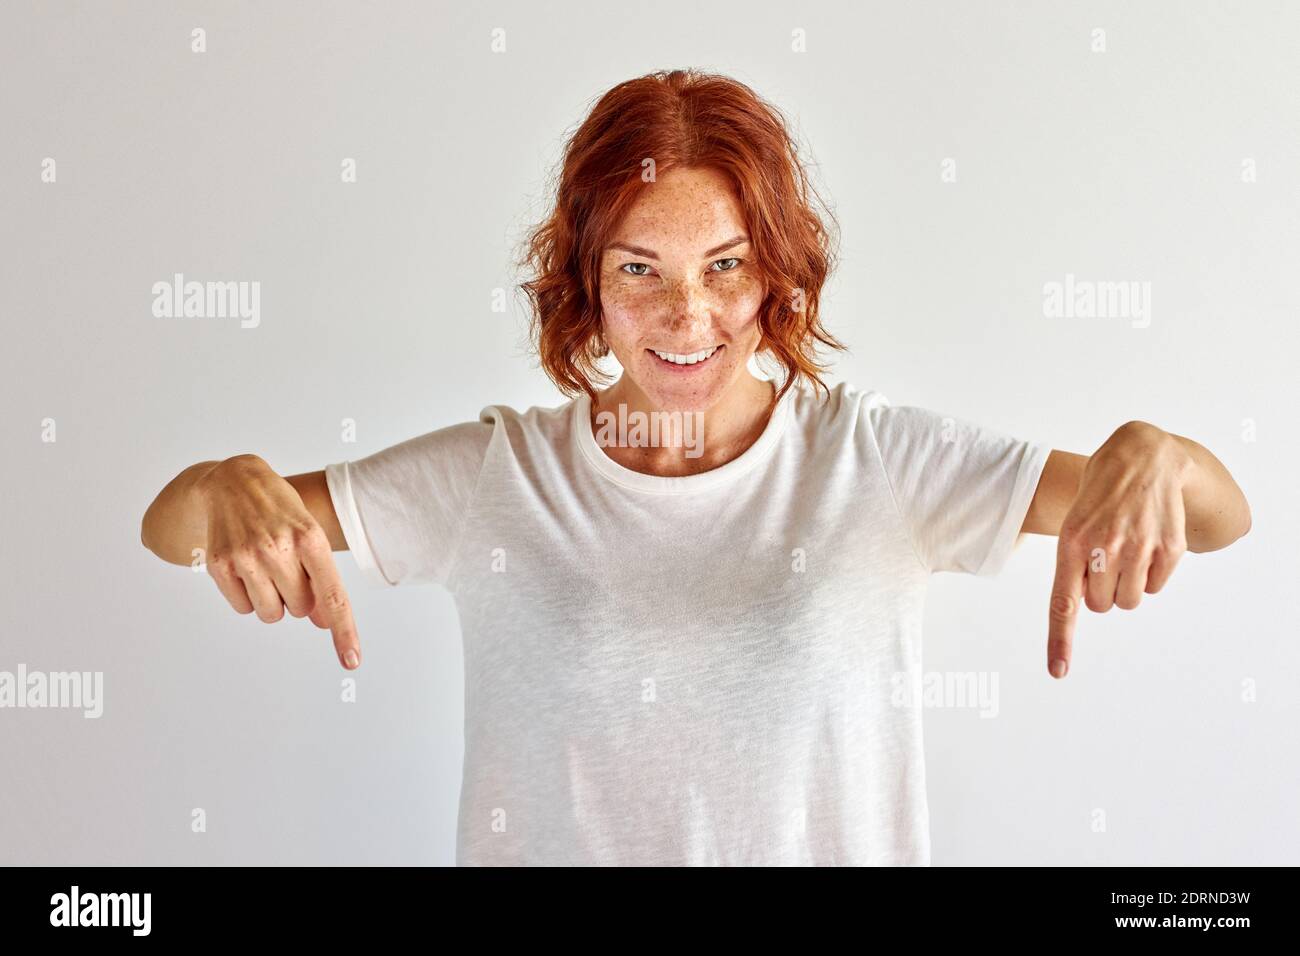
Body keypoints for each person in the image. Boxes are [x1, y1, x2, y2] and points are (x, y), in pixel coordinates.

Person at [140, 69, 1251, 865]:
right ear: (585, 279)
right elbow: (174, 527)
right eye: (640, 268)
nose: (688, 314)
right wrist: (229, 476)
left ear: (774, 276)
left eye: (726, 266)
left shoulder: (877, 461)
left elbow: (1217, 513)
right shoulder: (498, 477)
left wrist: (1150, 452)